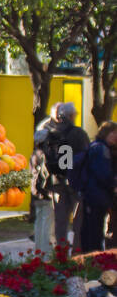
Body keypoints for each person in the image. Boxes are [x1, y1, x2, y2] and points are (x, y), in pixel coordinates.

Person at [41, 101, 90, 253]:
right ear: (71, 115)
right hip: (76, 182)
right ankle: (77, 251)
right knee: (78, 220)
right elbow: (87, 156)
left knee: (60, 220)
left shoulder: (51, 132)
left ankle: (60, 252)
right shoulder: (78, 133)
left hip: (56, 181)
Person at [74, 121, 117, 255]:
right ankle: (94, 257)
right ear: (106, 133)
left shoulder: (95, 146)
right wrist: (114, 185)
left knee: (92, 228)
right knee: (94, 230)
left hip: (93, 195)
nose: (116, 136)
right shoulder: (101, 149)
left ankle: (92, 256)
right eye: (114, 133)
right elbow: (103, 173)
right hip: (96, 195)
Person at [29, 121, 54, 251]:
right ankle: (46, 251)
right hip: (46, 192)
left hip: (36, 192)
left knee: (39, 222)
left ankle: (38, 249)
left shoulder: (34, 154)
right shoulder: (47, 154)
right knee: (47, 223)